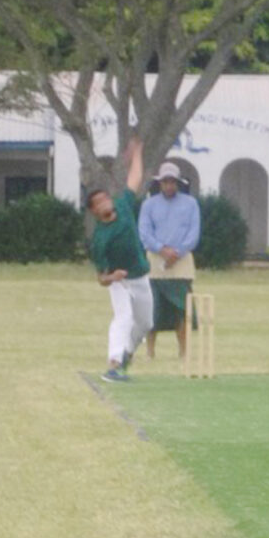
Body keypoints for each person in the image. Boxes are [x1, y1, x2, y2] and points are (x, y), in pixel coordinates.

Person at [87, 137, 153, 383]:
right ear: (94, 211)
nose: (105, 203)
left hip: (140, 275)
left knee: (146, 323)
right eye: (99, 203)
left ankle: (126, 355)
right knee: (124, 317)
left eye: (106, 198)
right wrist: (112, 277)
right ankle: (113, 365)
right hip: (119, 281)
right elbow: (101, 279)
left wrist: (137, 153)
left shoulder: (124, 205)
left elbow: (134, 178)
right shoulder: (100, 239)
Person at [137, 161, 201, 359]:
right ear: (160, 183)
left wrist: (177, 252)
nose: (169, 186)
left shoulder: (190, 204)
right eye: (165, 182)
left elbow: (194, 233)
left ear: (178, 183)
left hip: (181, 264)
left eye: (172, 182)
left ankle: (183, 351)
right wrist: (161, 250)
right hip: (155, 263)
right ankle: (150, 352)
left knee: (182, 309)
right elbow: (144, 233)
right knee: (152, 310)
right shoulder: (149, 204)